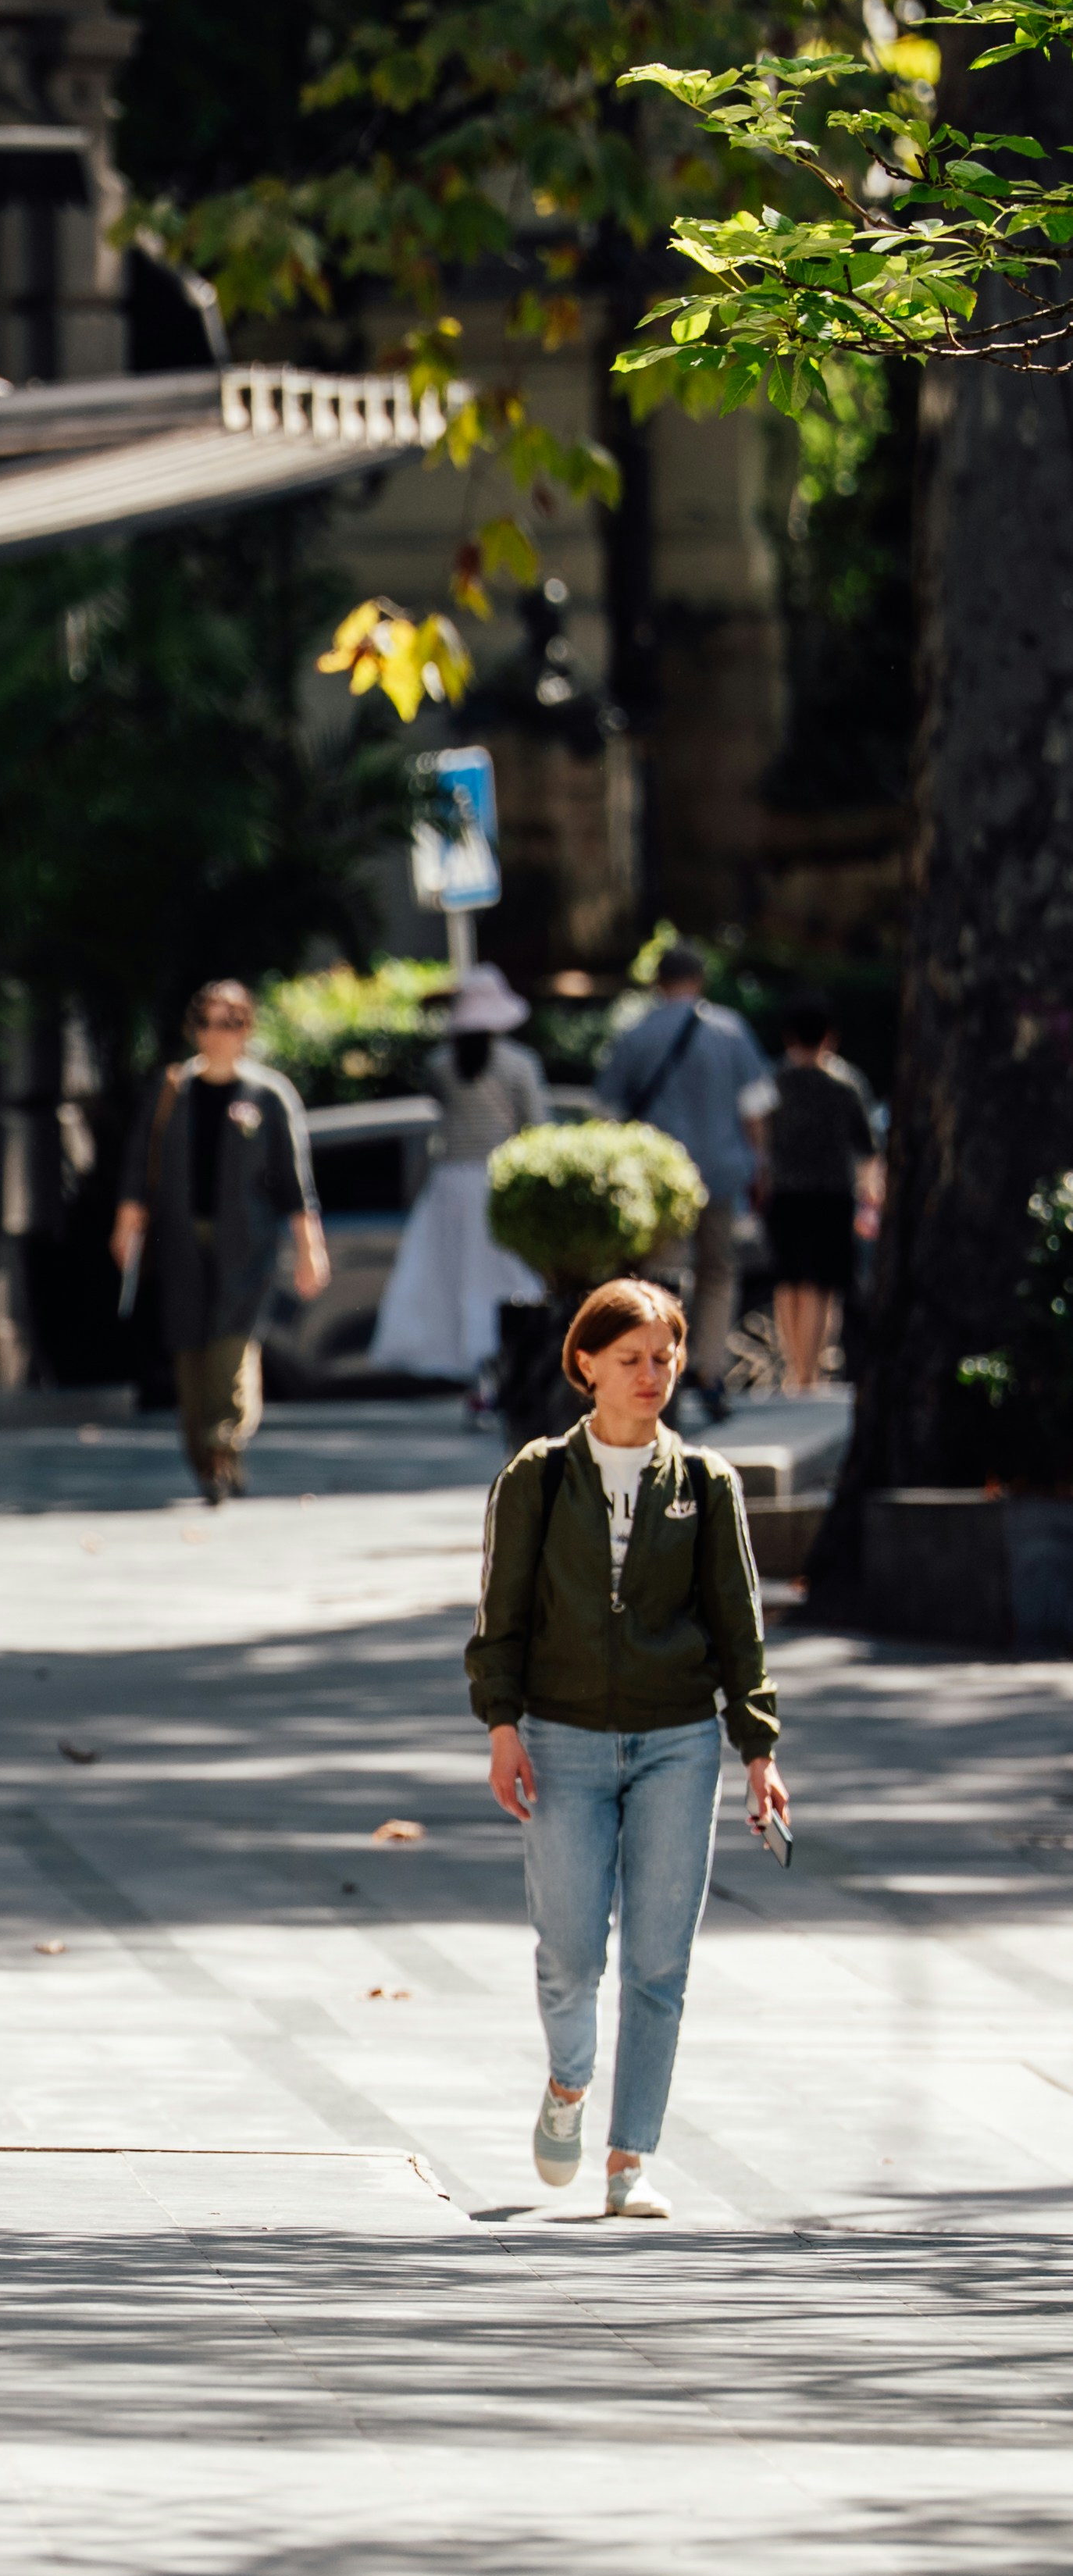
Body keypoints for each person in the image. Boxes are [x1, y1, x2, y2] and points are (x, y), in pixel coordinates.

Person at [466, 1275, 788, 2218]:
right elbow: (501, 1617)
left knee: (658, 1963)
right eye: (631, 1360)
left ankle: (628, 2159)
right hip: (561, 1741)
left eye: (665, 1358)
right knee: (569, 1954)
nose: (652, 1376)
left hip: (677, 1745)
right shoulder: (536, 1477)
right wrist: (501, 1728)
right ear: (585, 1367)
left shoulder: (704, 1484)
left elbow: (740, 1628)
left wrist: (758, 1749)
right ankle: (568, 2086)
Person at [109, 979, 327, 1502]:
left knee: (231, 1342)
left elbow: (294, 1183)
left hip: (246, 1243)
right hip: (181, 1239)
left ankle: (223, 1439)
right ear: (194, 1028)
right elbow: (141, 1165)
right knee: (189, 1346)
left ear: (247, 1027)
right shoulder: (173, 1091)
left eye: (231, 1021)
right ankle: (207, 1459)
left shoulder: (269, 1095)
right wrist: (126, 1224)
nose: (218, 1033)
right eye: (207, 1021)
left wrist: (308, 1246)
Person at [594, 944, 774, 1423]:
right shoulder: (731, 1031)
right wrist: (760, 1165)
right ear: (701, 979)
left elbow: (607, 1115)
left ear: (657, 982)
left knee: (659, 1282)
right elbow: (755, 1109)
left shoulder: (634, 1036)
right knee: (718, 1273)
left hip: (658, 1181)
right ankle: (711, 1372)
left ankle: (655, 1375)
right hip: (719, 1173)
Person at [368, 962, 550, 1416]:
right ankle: (499, 1378)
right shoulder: (519, 1065)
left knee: (456, 1286)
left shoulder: (440, 1067)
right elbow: (539, 1129)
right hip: (498, 1183)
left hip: (449, 1187)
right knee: (508, 1285)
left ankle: (479, 1380)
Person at [761, 996, 884, 1395]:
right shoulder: (845, 1084)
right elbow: (866, 1147)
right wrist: (871, 1194)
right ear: (829, 1037)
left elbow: (757, 1138)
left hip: (783, 1193)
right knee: (819, 1285)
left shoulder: (773, 1083)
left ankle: (792, 1366)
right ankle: (807, 1374)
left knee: (788, 1282)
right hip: (831, 1194)